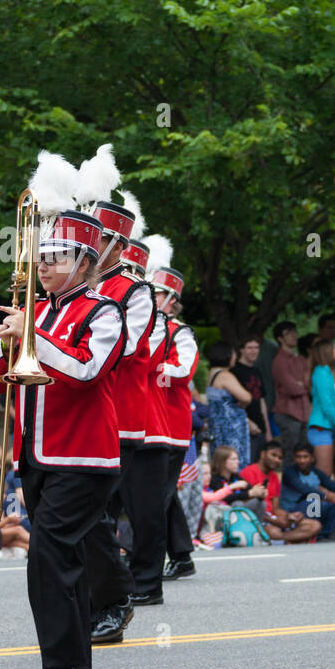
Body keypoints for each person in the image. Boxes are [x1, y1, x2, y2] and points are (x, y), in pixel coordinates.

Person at [0, 163, 125, 669]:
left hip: (84, 458)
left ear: (86, 263)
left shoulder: (104, 310)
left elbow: (87, 371)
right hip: (37, 455)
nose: (45, 266)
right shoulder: (33, 311)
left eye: (58, 257)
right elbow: (2, 382)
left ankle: (62, 667)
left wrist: (33, 336)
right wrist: (4, 343)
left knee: (48, 554)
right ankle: (70, 667)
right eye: (41, 257)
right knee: (56, 558)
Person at [82, 180, 152, 644]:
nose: (85, 246)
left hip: (118, 417)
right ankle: (95, 598)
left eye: (96, 238)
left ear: (118, 245)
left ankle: (115, 597)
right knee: (84, 516)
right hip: (74, 416)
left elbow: (120, 349)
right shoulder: (70, 287)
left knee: (94, 515)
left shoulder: (133, 291)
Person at [149, 250, 200, 585]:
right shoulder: (145, 326)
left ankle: (149, 560)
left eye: (154, 294)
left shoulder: (179, 331)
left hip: (170, 426)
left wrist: (150, 367)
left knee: (157, 495)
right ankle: (181, 555)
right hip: (149, 423)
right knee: (158, 493)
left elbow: (182, 370)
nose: (149, 298)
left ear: (170, 299)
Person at [239, 441, 321, 543]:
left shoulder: (274, 477)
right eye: (273, 455)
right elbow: (247, 508)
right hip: (258, 520)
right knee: (273, 531)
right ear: (263, 454)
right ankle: (292, 539)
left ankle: (285, 539)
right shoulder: (248, 472)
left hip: (275, 520)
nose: (276, 460)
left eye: (280, 458)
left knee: (314, 525)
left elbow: (276, 509)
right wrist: (273, 521)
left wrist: (289, 516)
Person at [280, 443, 335, 539]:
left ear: (312, 458)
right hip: (292, 509)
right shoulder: (289, 472)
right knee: (316, 502)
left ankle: (322, 536)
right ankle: (312, 535)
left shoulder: (315, 472)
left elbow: (334, 485)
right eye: (298, 457)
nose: (302, 460)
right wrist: (329, 497)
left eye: (305, 457)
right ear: (294, 458)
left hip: (310, 506)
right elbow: (305, 489)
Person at [204, 340, 253, 465]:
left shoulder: (212, 374)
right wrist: (243, 402)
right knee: (233, 460)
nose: (235, 357)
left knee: (220, 459)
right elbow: (246, 397)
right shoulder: (224, 375)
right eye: (233, 353)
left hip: (217, 425)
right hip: (230, 426)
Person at [306, 338, 335, 479]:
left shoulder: (330, 371)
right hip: (321, 427)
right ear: (326, 352)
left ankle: (325, 501)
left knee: (328, 474)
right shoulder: (321, 371)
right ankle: (316, 502)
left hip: (330, 427)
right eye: (334, 348)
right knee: (323, 474)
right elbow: (327, 405)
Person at [270, 322, 310, 458]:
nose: (294, 335)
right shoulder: (279, 361)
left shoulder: (300, 359)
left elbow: (309, 383)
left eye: (295, 331)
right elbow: (292, 389)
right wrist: (301, 384)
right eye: (289, 332)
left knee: (304, 453)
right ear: (280, 338)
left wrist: (302, 384)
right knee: (291, 455)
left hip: (303, 413)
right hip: (288, 414)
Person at [231, 336, 270, 463]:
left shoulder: (257, 371)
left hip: (260, 427)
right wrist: (247, 422)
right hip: (244, 427)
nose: (254, 351)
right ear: (241, 350)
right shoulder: (234, 371)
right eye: (250, 348)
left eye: (256, 348)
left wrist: (267, 430)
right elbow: (231, 403)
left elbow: (261, 401)